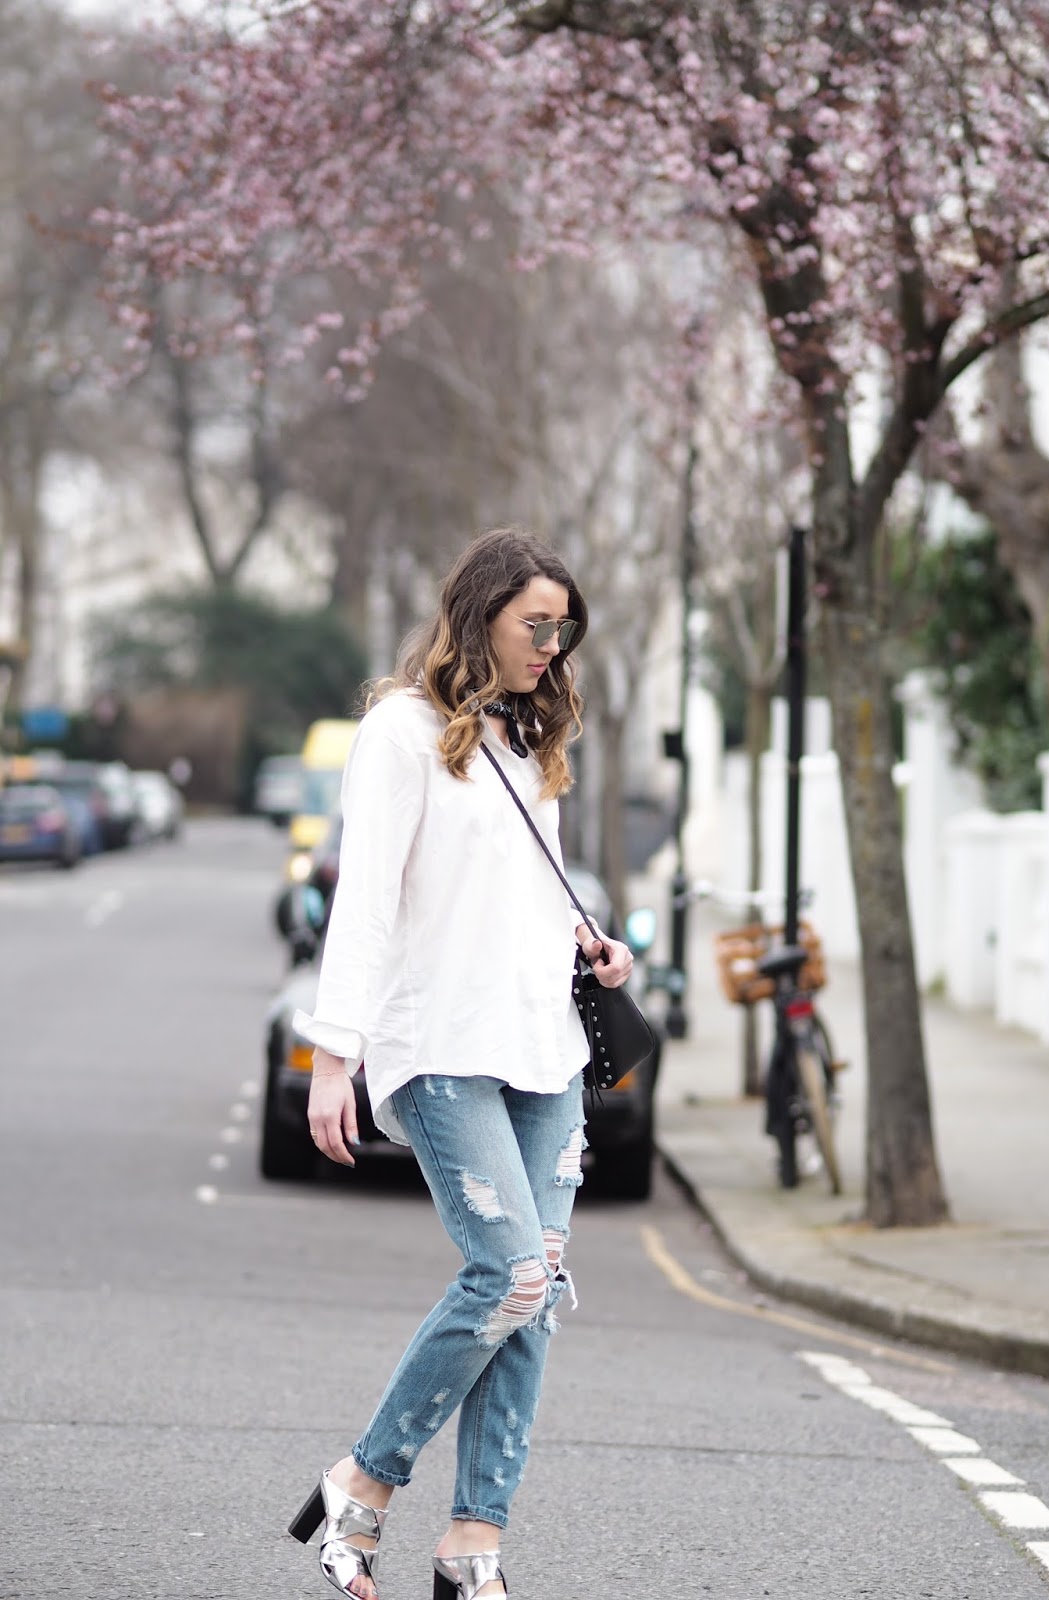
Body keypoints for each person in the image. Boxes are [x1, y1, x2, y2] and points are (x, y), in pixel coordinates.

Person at [288, 527, 633, 1600]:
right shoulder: (399, 731)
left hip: (542, 1045)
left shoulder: (530, 738)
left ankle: (473, 1541)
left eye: (564, 628)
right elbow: (368, 900)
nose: (553, 644)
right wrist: (332, 1055)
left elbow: (526, 891)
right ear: (478, 610)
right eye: (537, 622)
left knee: (537, 1288)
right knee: (510, 1271)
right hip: (438, 1044)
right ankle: (363, 1482)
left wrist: (589, 942)